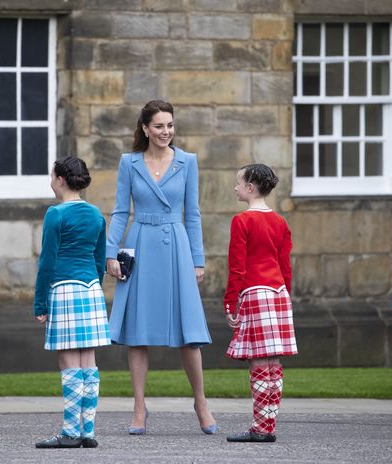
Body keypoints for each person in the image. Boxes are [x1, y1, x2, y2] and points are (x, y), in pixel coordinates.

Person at [106, 100, 216, 435]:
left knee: (189, 334)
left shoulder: (187, 162)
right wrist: (110, 253)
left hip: (177, 247)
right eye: (159, 126)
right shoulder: (129, 163)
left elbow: (193, 214)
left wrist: (198, 259)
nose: (165, 132)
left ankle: (201, 403)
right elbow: (121, 211)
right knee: (138, 334)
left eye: (170, 125)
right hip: (140, 244)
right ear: (145, 128)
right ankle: (139, 408)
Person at [33, 156, 111, 449]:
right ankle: (87, 430)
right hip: (90, 288)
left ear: (61, 180)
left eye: (53, 176)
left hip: (64, 288)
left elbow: (47, 262)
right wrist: (94, 289)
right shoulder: (95, 214)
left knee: (68, 361)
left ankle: (68, 432)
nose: (51, 181)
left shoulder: (56, 214)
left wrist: (40, 303)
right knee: (88, 362)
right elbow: (99, 260)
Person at [223, 164, 297, 443]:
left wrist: (231, 302)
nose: (235, 187)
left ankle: (261, 427)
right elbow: (285, 265)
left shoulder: (242, 220)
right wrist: (285, 295)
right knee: (273, 362)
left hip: (254, 292)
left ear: (251, 188)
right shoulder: (280, 221)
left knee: (258, 361)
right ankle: (267, 424)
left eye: (239, 183)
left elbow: (237, 267)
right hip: (278, 293)